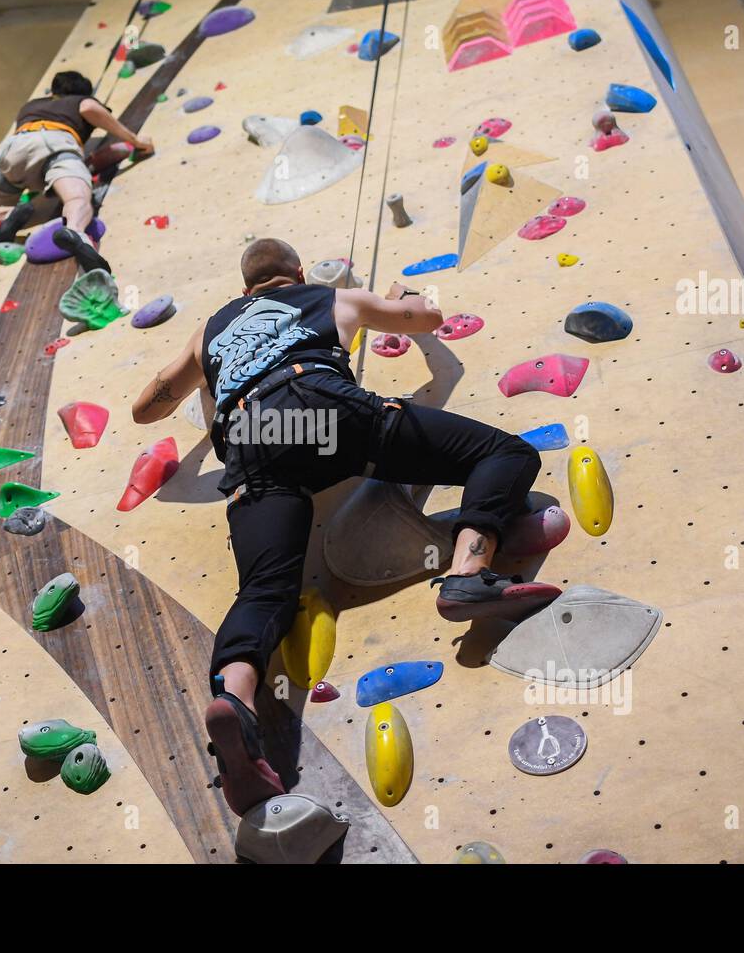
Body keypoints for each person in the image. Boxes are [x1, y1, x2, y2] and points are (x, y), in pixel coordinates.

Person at [129, 238, 543, 816]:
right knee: (504, 453)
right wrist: (398, 298)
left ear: (245, 288)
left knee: (265, 590)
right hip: (325, 406)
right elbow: (430, 318)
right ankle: (469, 570)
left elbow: (147, 406)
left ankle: (237, 699)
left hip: (251, 439)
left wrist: (203, 386)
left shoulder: (210, 331)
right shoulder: (332, 297)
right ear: (295, 273)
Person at [0, 70, 153, 271]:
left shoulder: (31, 106)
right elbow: (90, 108)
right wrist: (135, 140)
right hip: (53, 145)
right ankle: (75, 232)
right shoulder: (79, 101)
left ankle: (8, 214)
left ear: (53, 91)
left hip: (12, 151)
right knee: (77, 199)